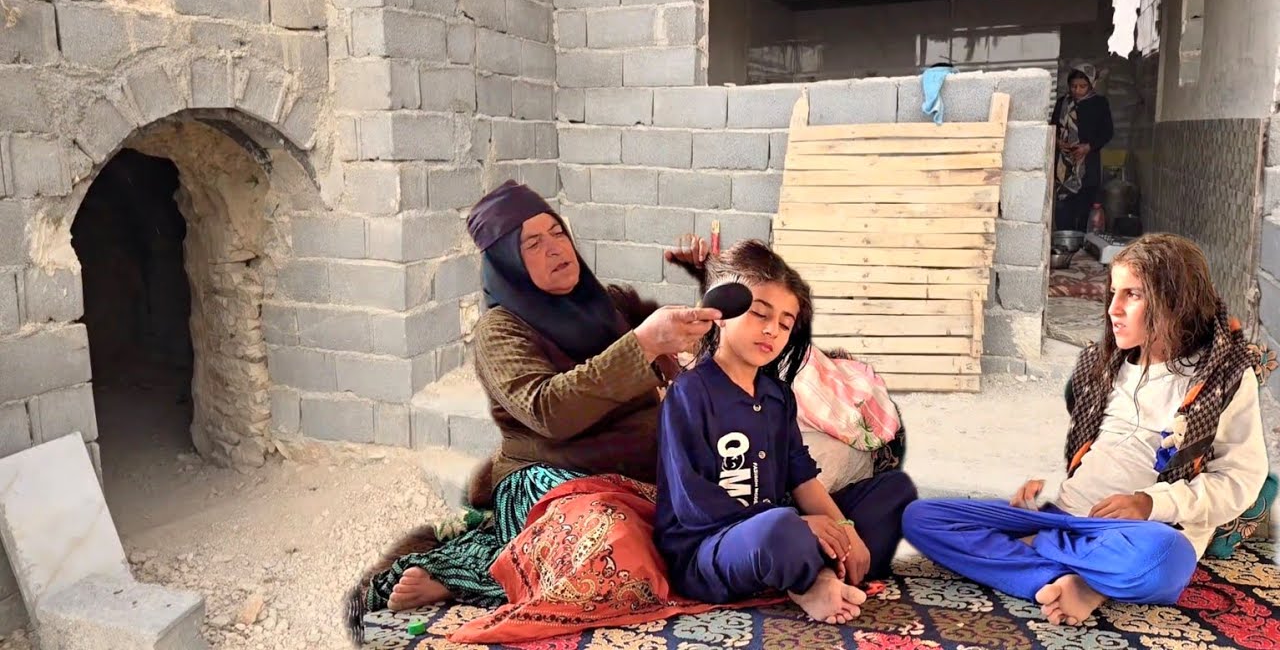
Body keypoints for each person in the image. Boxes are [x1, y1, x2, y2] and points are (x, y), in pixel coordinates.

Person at [344, 181, 719, 637]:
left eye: (557, 233)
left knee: (725, 507)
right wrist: (642, 345)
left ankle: (518, 560)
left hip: (646, 471)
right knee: (609, 540)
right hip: (551, 477)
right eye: (533, 244)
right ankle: (466, 571)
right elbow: (548, 410)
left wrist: (708, 276)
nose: (555, 248)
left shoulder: (610, 304)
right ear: (506, 263)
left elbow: (698, 335)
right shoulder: (500, 331)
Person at [904, 233, 1270, 626]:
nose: (1114, 309)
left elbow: (1241, 481)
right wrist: (1033, 489)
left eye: (1133, 295)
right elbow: (1079, 451)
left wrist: (1150, 503)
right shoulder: (1101, 365)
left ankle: (1049, 565)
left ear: (1175, 301)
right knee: (920, 517)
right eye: (1113, 293)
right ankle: (1064, 578)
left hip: (1135, 533)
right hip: (1061, 515)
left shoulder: (1224, 377)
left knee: (1166, 558)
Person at [654, 241, 918, 624]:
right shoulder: (690, 393)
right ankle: (811, 581)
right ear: (723, 314)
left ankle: (813, 571)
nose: (771, 331)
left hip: (782, 530)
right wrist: (798, 524)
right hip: (710, 549)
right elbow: (695, 508)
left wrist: (845, 530)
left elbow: (801, 477)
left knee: (894, 492)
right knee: (780, 531)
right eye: (760, 314)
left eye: (784, 322)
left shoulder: (777, 396)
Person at [1051, 63, 1114, 232]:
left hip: (1087, 166)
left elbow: (1107, 132)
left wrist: (1088, 147)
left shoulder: (1099, 104)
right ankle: (1064, 244)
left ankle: (1079, 250)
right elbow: (1052, 129)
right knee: (1063, 211)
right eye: (1073, 86)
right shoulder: (1062, 104)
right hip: (1063, 168)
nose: (1077, 90)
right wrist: (1058, 142)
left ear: (1091, 85)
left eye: (1082, 86)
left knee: (1084, 212)